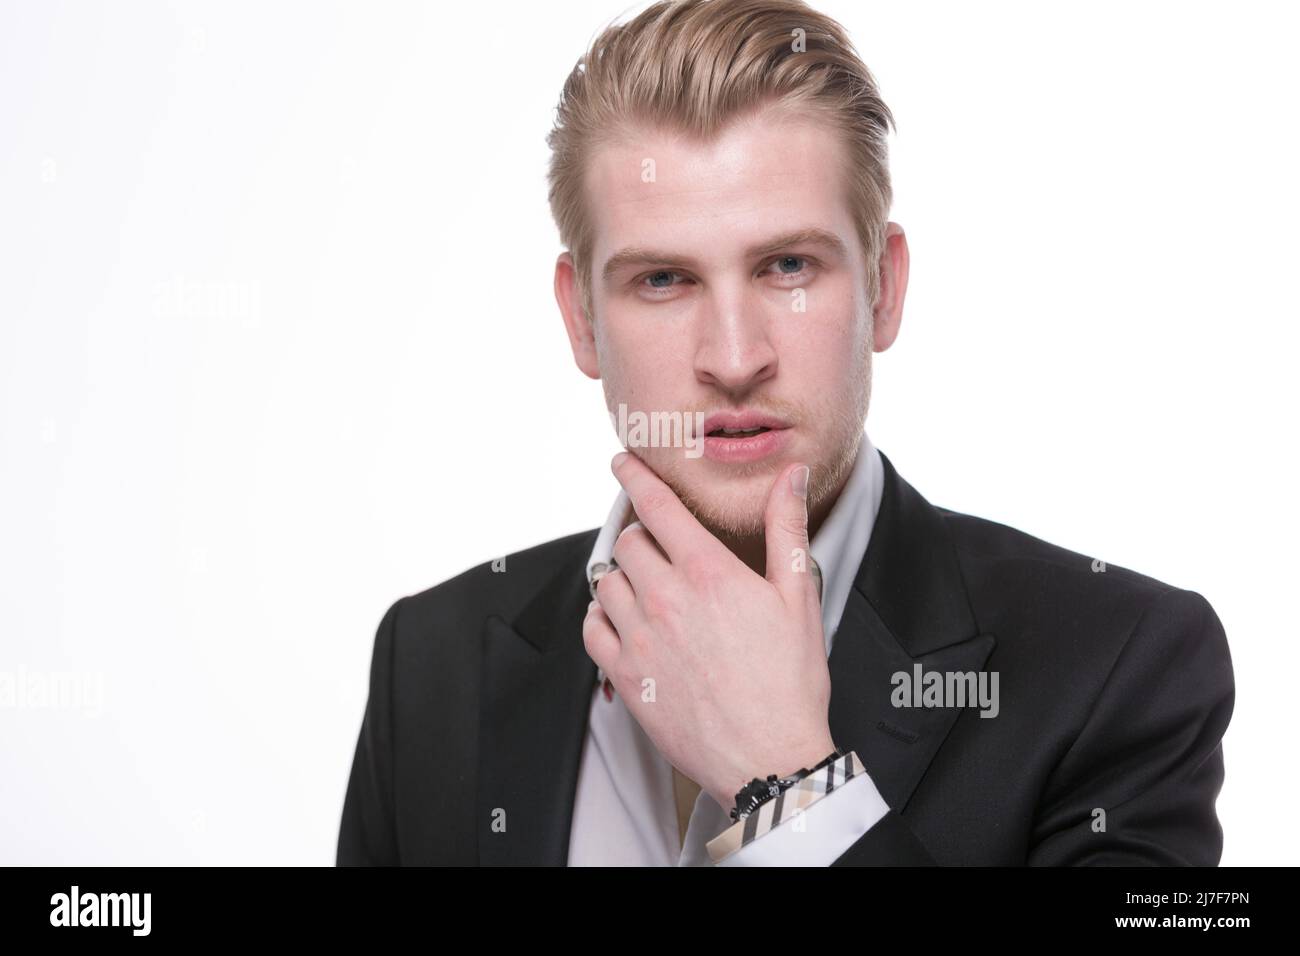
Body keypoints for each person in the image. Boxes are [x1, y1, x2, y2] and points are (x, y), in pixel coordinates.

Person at [337, 0, 1234, 866]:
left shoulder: (1122, 667)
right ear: (580, 320)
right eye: (662, 280)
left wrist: (793, 787)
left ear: (883, 287)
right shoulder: (433, 665)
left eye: (789, 265)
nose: (733, 358)